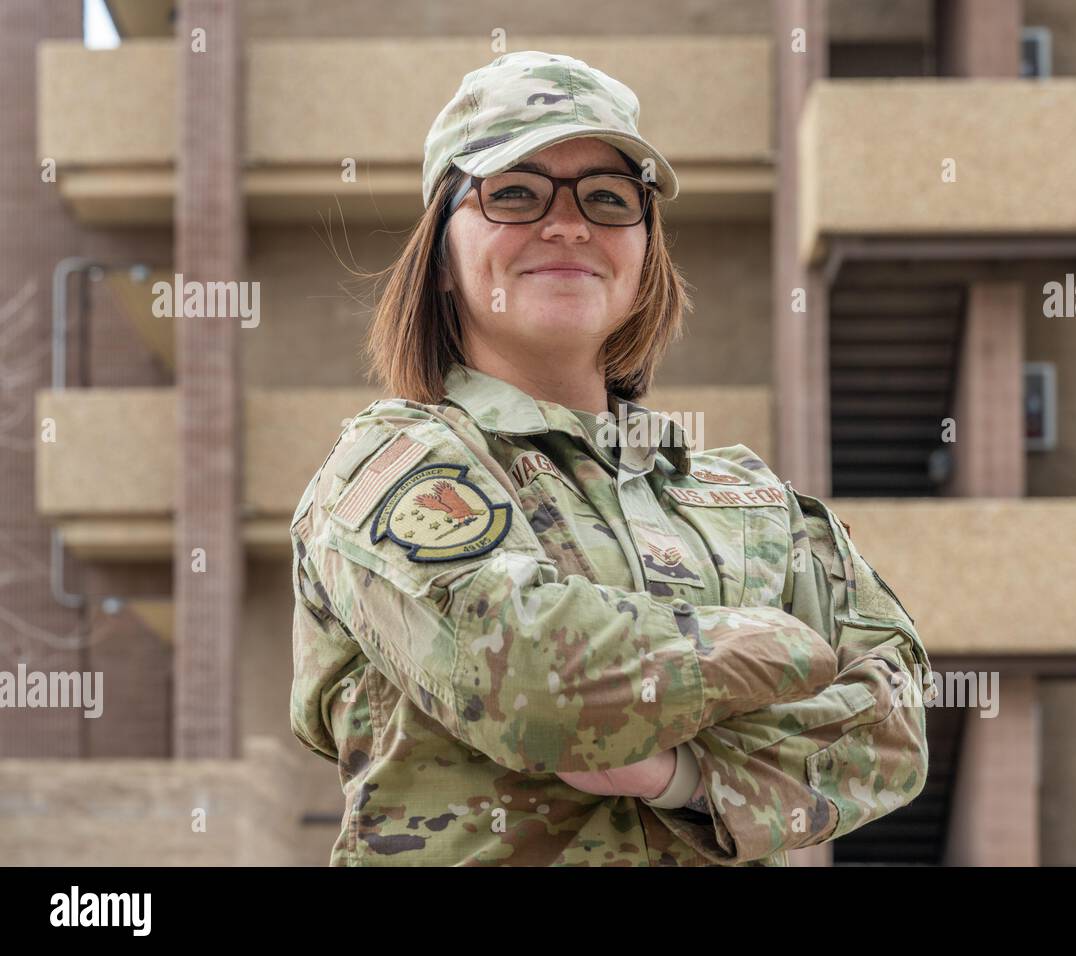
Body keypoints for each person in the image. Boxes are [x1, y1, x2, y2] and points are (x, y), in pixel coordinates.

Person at [289, 49, 933, 866]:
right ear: (441, 260)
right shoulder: (393, 462)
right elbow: (526, 679)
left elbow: (896, 720)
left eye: (608, 198)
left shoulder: (750, 501)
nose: (569, 225)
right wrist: (781, 643)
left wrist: (681, 775)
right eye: (514, 193)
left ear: (644, 253)